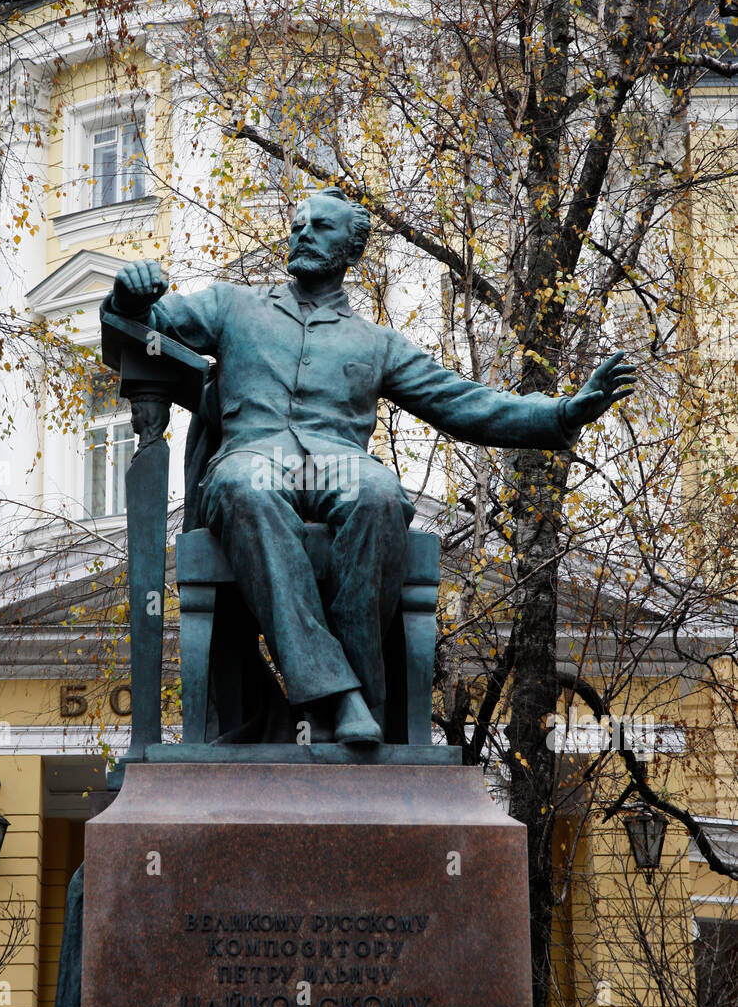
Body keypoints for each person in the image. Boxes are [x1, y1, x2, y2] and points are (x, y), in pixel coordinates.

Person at [108, 188, 635, 747]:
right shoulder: (233, 305)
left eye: (321, 226)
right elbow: (150, 324)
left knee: (382, 494)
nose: (303, 232)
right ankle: (344, 696)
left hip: (342, 466)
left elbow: (464, 403)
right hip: (251, 458)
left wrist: (560, 413)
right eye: (298, 222)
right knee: (245, 488)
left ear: (352, 248)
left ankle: (345, 692)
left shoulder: (376, 342)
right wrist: (129, 296)